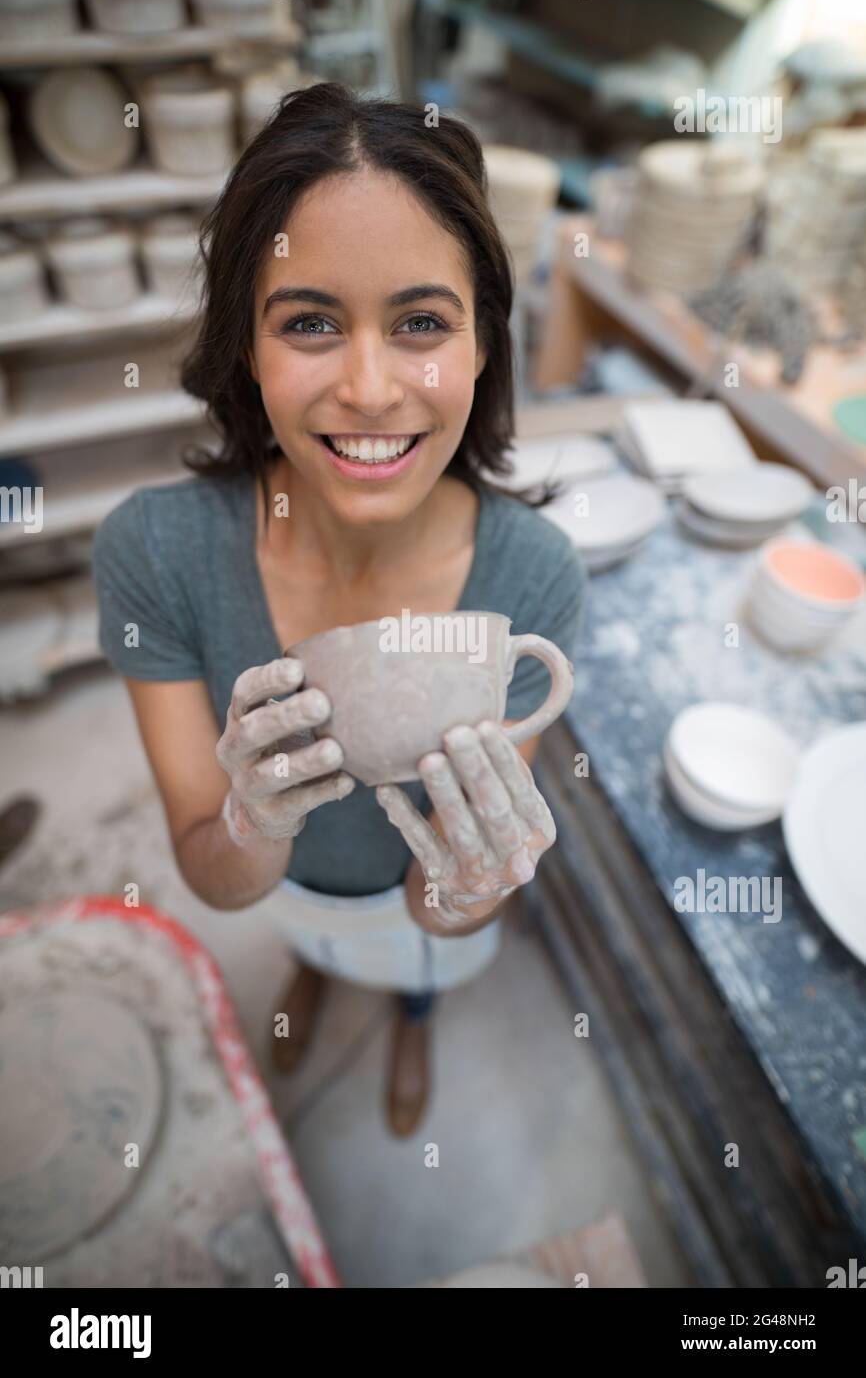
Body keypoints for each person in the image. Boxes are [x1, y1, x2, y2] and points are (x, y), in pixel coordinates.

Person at [92, 83, 587, 1137]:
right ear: (244, 345)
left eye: (419, 322)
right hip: (285, 888)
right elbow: (214, 876)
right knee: (305, 930)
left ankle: (411, 1020)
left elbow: (443, 905)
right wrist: (249, 820)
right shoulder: (155, 553)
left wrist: (467, 885)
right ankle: (319, 973)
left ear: (484, 343)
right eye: (309, 321)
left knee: (420, 963)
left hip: (413, 914)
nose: (368, 389)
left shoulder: (535, 574)